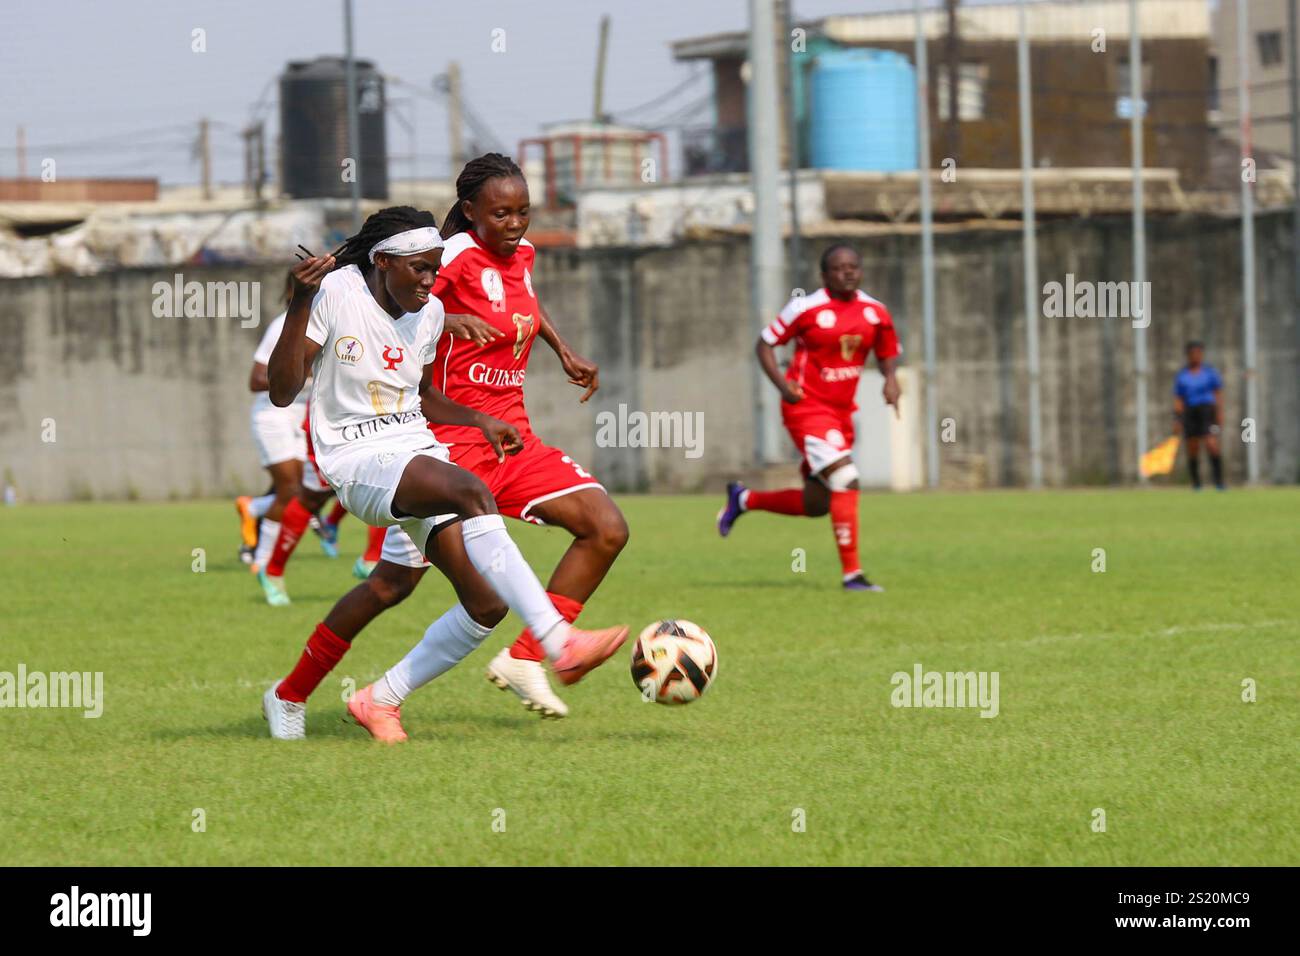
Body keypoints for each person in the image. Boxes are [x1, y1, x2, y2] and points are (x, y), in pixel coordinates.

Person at [262, 154, 629, 722]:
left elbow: (426, 394)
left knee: (475, 603)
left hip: (425, 447)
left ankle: (349, 699)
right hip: (360, 458)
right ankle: (559, 644)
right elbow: (283, 391)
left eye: (435, 271)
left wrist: (483, 417)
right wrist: (300, 301)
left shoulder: (429, 309)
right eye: (421, 271)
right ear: (384, 262)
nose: (433, 284)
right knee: (457, 507)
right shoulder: (337, 292)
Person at [717, 244, 900, 592]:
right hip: (807, 408)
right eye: (838, 268)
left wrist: (890, 379)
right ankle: (853, 576)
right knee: (846, 476)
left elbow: (887, 351)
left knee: (819, 504)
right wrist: (783, 387)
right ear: (824, 275)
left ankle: (744, 499)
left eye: (853, 267)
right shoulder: (806, 307)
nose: (847, 272)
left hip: (843, 414)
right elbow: (765, 343)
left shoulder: (875, 311)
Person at [1173, 340, 1225, 491]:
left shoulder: (1209, 373)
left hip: (1207, 411)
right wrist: (1177, 418)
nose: (1195, 356)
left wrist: (1219, 413)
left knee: (1212, 444)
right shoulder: (1182, 376)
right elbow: (1179, 398)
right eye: (1192, 354)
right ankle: (1196, 484)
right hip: (1190, 411)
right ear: (1188, 355)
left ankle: (1219, 482)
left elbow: (1217, 393)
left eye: (1198, 353)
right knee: (1193, 447)